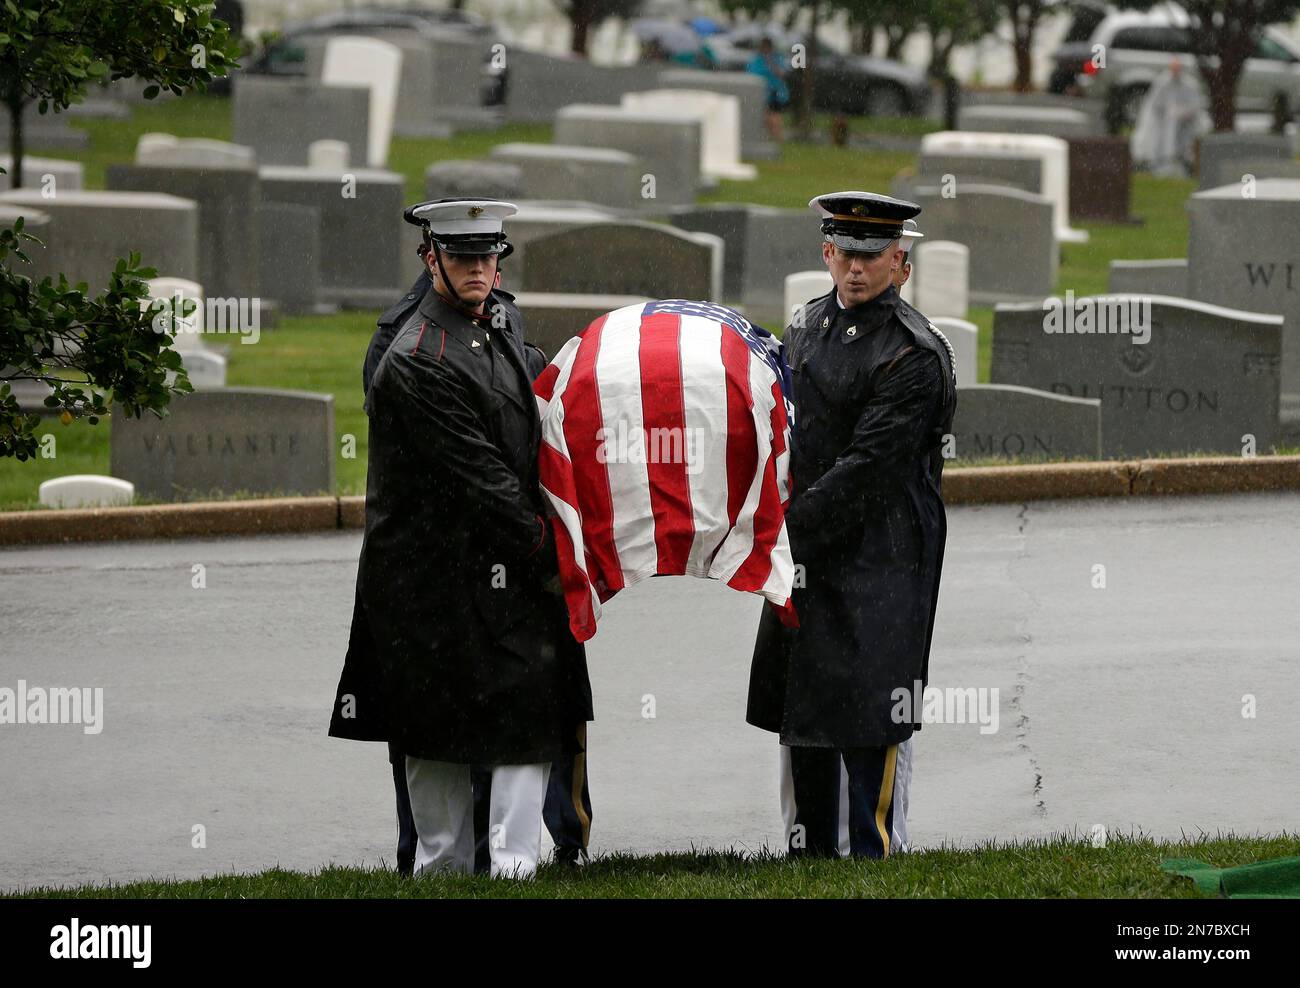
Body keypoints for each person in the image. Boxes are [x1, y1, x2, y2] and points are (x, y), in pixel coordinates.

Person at [329, 197, 593, 879]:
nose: (478, 268)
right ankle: (441, 872)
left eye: (488, 256)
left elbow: (535, 415)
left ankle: (513, 868)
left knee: (527, 716)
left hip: (495, 567)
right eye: (463, 256)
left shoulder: (493, 325)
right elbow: (481, 480)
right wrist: (552, 553)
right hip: (433, 576)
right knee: (435, 731)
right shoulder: (417, 358)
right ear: (431, 259)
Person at [748, 191, 956, 860]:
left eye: (873, 256)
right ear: (826, 253)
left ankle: (873, 851)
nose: (857, 269)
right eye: (845, 253)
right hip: (807, 545)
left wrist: (780, 529)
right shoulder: (807, 325)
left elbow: (869, 468)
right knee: (805, 699)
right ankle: (809, 852)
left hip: (881, 549)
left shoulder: (914, 353)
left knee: (872, 706)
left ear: (902, 261)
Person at [1130, 57, 1208, 178]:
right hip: (1163, 123)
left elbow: (1195, 107)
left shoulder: (1190, 84)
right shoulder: (1163, 82)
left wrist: (1183, 112)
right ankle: (1162, 167)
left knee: (1186, 147)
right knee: (1163, 144)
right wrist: (1169, 112)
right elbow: (1155, 104)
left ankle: (1185, 166)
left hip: (1186, 125)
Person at [747, 36, 790, 145]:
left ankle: (778, 138)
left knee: (773, 116)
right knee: (767, 116)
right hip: (762, 92)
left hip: (774, 92)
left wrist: (771, 63)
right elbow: (751, 74)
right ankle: (774, 138)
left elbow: (782, 73)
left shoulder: (776, 58)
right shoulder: (758, 59)